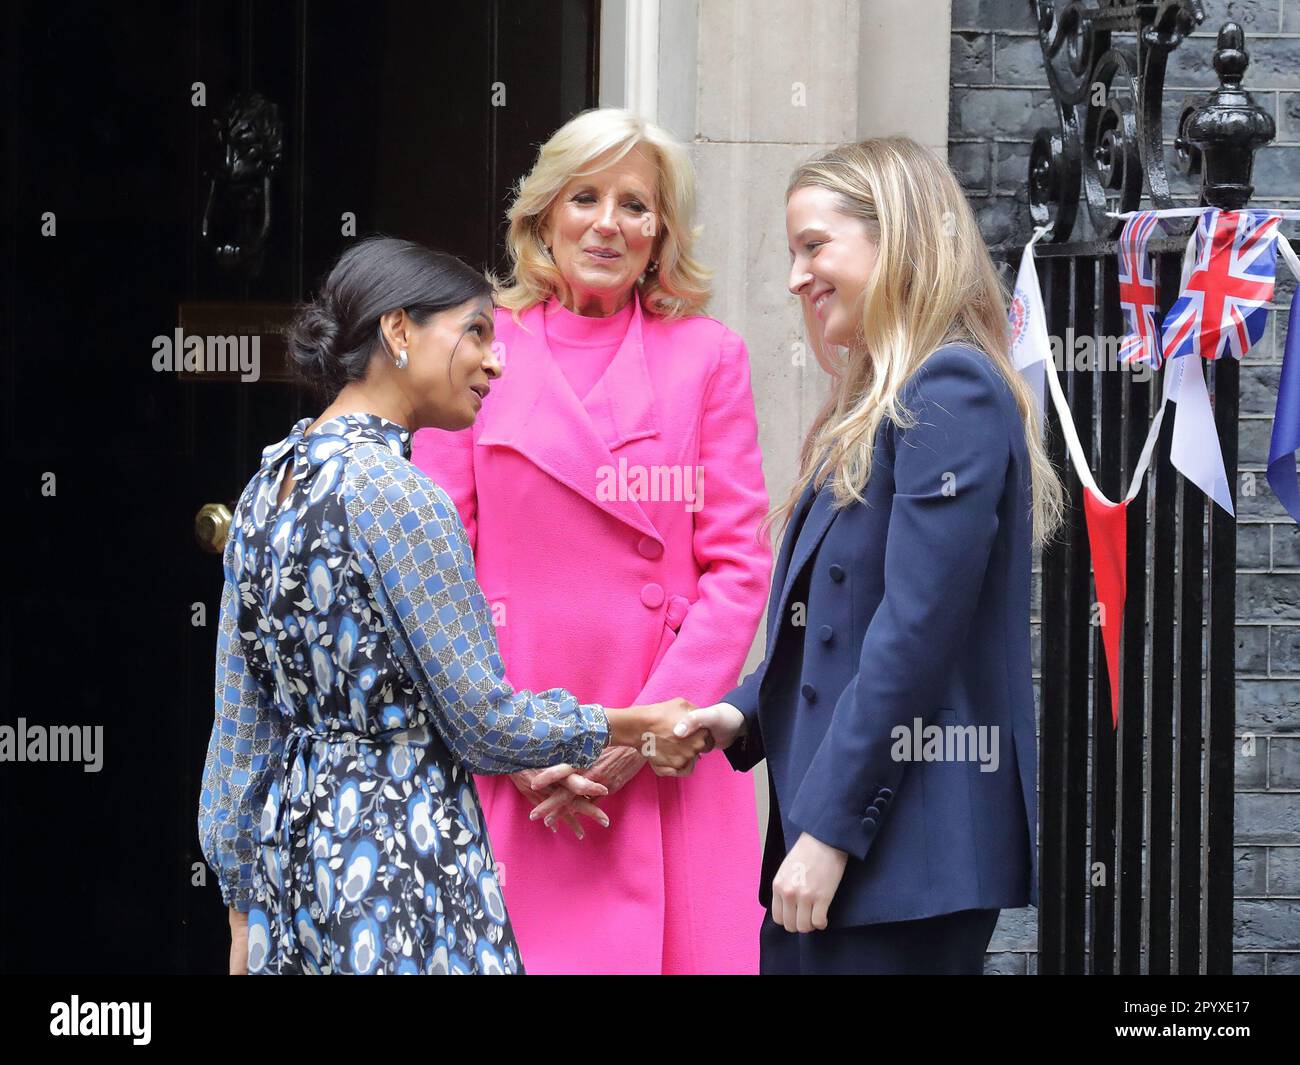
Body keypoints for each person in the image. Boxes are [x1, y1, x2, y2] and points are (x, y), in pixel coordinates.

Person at [196, 236, 710, 975]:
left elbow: (240, 729)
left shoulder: (264, 490)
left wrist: (242, 909)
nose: (495, 362)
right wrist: (630, 723)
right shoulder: (400, 496)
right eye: (475, 331)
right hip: (400, 858)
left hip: (292, 869)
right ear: (397, 330)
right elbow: (484, 721)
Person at [679, 136, 1065, 974]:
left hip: (900, 848)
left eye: (815, 246)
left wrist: (828, 831)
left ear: (898, 238)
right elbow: (840, 623)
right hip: (870, 848)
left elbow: (916, 631)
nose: (795, 278)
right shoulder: (885, 400)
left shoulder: (947, 388)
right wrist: (743, 707)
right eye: (792, 252)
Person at [412, 108, 772, 974]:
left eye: (636, 205)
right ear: (543, 217)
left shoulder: (710, 357)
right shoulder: (474, 345)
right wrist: (513, 737)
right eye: (585, 197)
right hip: (512, 767)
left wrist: (643, 734)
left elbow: (738, 566)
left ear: (661, 235)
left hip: (665, 769)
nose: (608, 223)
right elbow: (433, 562)